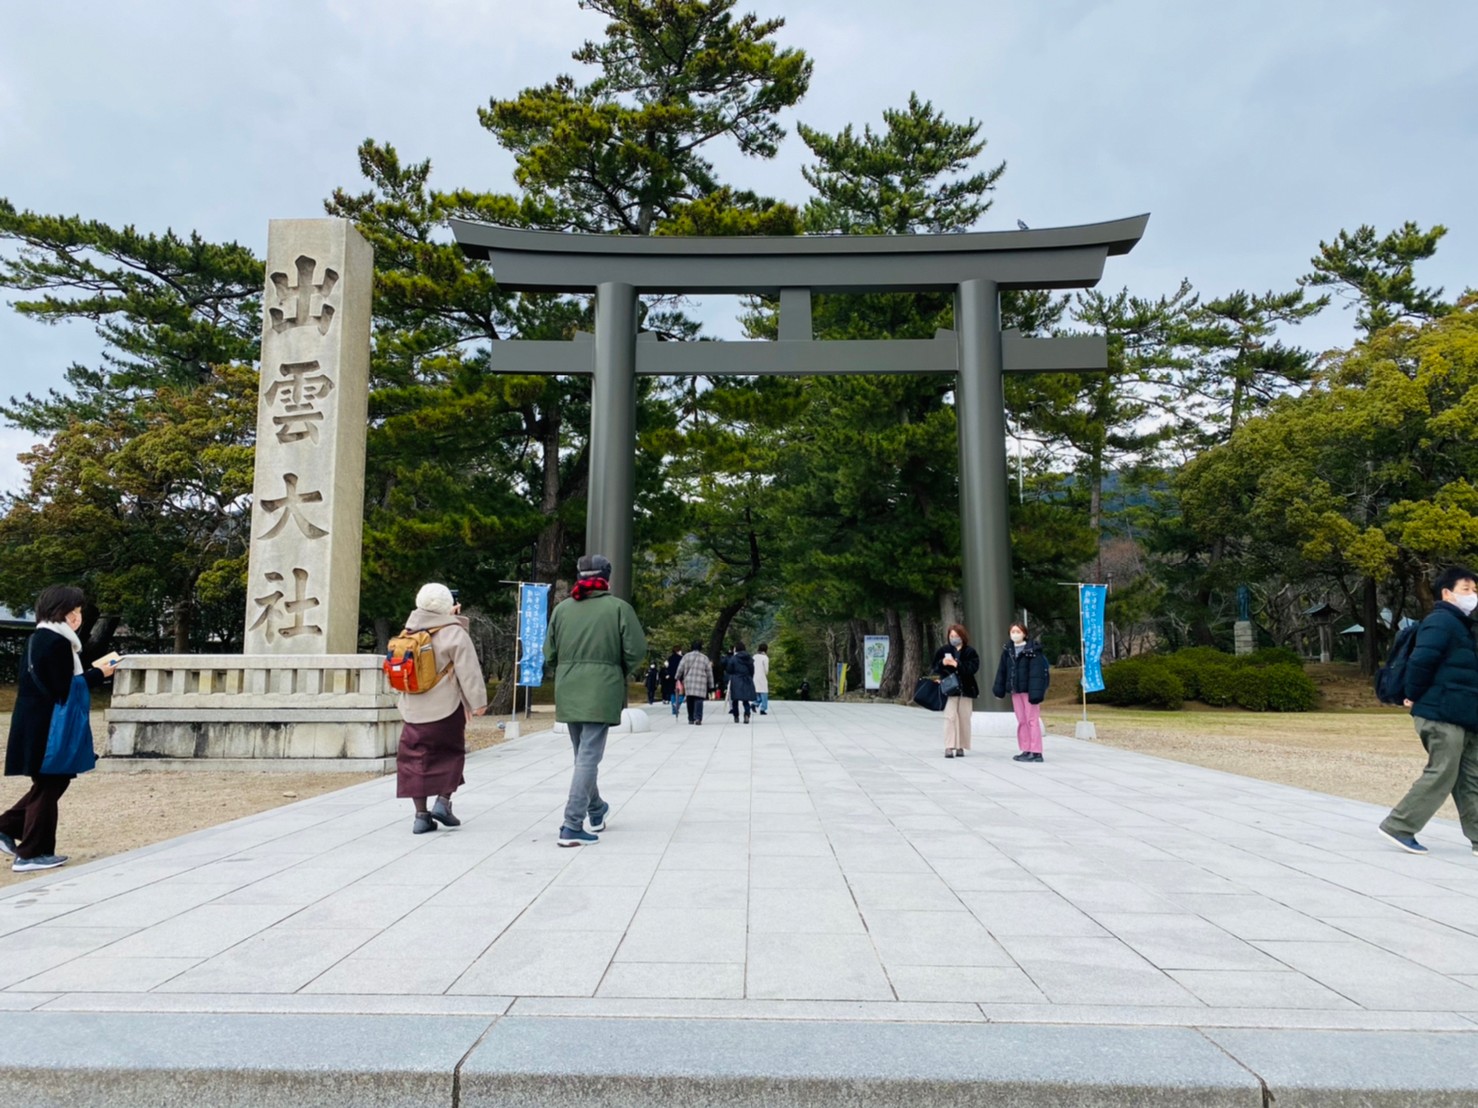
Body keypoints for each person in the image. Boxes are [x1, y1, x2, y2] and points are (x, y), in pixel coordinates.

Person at [1, 585, 118, 872]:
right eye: (75, 611)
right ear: (62, 613)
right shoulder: (56, 642)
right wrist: (99, 673)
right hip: (49, 728)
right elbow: (65, 688)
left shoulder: (38, 639)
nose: (78, 617)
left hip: (34, 724)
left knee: (48, 784)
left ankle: (6, 827)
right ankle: (30, 854)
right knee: (50, 784)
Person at [544, 554, 646, 847]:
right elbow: (636, 650)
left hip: (568, 687)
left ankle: (596, 809)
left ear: (579, 577)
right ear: (607, 577)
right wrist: (617, 670)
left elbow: (549, 653)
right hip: (602, 687)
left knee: (581, 755)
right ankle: (572, 824)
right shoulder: (618, 609)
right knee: (588, 757)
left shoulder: (562, 610)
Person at [1378, 565, 1478, 855]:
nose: (1472, 595)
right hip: (1439, 712)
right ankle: (1399, 825)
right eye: (1466, 590)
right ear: (1447, 593)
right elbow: (1422, 661)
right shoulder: (1440, 622)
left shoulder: (1463, 625)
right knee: (1443, 771)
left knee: (1470, 776)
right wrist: (1412, 693)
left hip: (1463, 714)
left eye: (1475, 590)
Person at [393, 583, 488, 834]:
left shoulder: (407, 632)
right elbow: (469, 671)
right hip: (446, 707)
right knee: (451, 753)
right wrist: (478, 703)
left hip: (412, 709)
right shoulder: (454, 633)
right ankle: (443, 803)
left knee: (415, 759)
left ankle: (421, 816)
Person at [992, 622, 1051, 763]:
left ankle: (1036, 752)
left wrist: (1036, 693)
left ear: (1024, 633)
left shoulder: (1033, 650)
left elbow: (1037, 674)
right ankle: (1026, 749)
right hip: (1015, 690)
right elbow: (1002, 671)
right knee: (1022, 721)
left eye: (1018, 631)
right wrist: (999, 689)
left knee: (1032, 720)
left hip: (1029, 691)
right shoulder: (1008, 651)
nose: (1015, 634)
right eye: (1013, 632)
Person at [933, 623, 981, 759]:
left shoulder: (970, 652)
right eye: (951, 636)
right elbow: (935, 667)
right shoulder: (943, 650)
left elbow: (973, 668)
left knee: (964, 718)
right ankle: (949, 746)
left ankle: (961, 746)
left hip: (966, 689)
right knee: (950, 717)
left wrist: (957, 664)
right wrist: (943, 663)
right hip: (949, 689)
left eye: (957, 636)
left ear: (962, 636)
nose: (954, 638)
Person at [674, 640, 714, 726]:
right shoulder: (705, 658)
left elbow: (680, 668)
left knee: (690, 699)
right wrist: (711, 685)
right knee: (699, 700)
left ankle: (691, 718)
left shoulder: (686, 657)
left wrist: (677, 677)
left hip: (689, 681)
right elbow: (709, 672)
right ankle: (698, 718)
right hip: (701, 681)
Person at [726, 642, 757, 723]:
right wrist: (750, 677)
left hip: (736, 679)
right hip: (747, 678)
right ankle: (747, 714)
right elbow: (752, 670)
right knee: (745, 699)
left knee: (735, 699)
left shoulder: (734, 658)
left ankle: (736, 716)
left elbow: (729, 669)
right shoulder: (749, 658)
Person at [753, 643, 771, 715]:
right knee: (764, 693)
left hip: (754, 676)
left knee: (757, 692)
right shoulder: (765, 658)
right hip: (762, 677)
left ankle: (755, 703)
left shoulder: (754, 656)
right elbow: (766, 670)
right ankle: (763, 708)